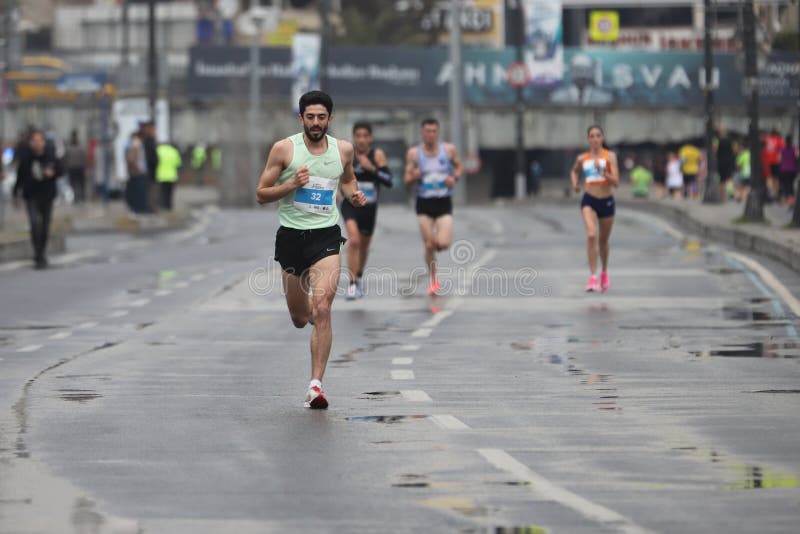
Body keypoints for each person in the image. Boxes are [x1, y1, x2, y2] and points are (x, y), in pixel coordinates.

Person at [255, 90, 366, 410]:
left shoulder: (343, 149)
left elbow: (347, 179)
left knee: (323, 308)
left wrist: (354, 194)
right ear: (300, 118)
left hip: (325, 236)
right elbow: (261, 194)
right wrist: (291, 185)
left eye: (321, 117)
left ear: (330, 119)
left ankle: (315, 385)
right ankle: (317, 324)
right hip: (291, 238)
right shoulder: (284, 149)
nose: (316, 123)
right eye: (310, 117)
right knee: (300, 317)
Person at [404, 117, 464, 296]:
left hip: (443, 202)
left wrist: (454, 177)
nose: (430, 134)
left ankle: (437, 247)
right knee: (429, 244)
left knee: (443, 243)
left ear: (438, 132)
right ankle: (434, 280)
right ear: (422, 133)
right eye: (427, 131)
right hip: (424, 203)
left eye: (434, 131)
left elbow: (459, 167)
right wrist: (414, 176)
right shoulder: (414, 154)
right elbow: (406, 180)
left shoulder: (448, 150)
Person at [341, 122, 393, 300]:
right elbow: (339, 178)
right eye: (358, 136)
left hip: (369, 207)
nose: (362, 139)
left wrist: (372, 168)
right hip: (350, 205)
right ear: (354, 137)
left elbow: (388, 180)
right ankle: (352, 284)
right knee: (354, 241)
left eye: (365, 136)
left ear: (370, 138)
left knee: (364, 246)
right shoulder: (348, 153)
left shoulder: (377, 155)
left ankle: (359, 276)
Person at [570, 125, 619, 292]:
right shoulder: (582, 158)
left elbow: (616, 182)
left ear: (603, 138)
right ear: (588, 139)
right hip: (589, 199)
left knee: (603, 241)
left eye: (598, 136)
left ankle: (604, 272)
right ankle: (592, 277)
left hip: (606, 201)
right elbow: (574, 171)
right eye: (592, 136)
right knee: (591, 234)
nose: (595, 139)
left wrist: (603, 171)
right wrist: (575, 183)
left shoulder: (610, 157)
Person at [12, 130, 61, 269]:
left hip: (47, 195)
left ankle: (41, 254)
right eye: (35, 140)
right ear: (31, 142)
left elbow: (62, 169)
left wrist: (53, 172)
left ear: (44, 142)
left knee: (45, 226)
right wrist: (15, 193)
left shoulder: (50, 155)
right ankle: (37, 253)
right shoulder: (26, 156)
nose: (37, 143)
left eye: (40, 140)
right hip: (31, 195)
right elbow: (20, 175)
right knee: (34, 223)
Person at [125, 131, 148, 213]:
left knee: (136, 191)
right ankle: (138, 210)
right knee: (138, 192)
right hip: (137, 172)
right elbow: (131, 159)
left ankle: (137, 209)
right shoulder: (136, 144)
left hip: (136, 172)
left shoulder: (134, 144)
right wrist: (138, 169)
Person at [156, 141, 182, 210]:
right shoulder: (174, 151)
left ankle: (162, 205)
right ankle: (168, 205)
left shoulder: (158, 150)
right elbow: (178, 164)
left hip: (160, 175)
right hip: (171, 175)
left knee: (161, 191)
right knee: (169, 192)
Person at [64, 130, 88, 202]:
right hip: (78, 168)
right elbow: (84, 158)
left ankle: (77, 198)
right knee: (80, 184)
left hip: (73, 168)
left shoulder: (69, 147)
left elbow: (66, 158)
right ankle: (80, 198)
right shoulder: (80, 147)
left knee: (74, 184)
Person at [140, 121, 159, 212]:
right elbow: (151, 157)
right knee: (150, 192)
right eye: (153, 129)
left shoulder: (148, 141)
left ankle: (150, 208)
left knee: (151, 191)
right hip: (150, 171)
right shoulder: (149, 141)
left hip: (151, 171)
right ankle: (150, 209)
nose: (155, 131)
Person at [778, 134, 798, 205]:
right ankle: (791, 198)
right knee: (790, 184)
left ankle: (787, 198)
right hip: (792, 169)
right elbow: (797, 156)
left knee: (785, 184)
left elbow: (779, 159)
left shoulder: (782, 149)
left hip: (784, 169)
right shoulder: (794, 148)